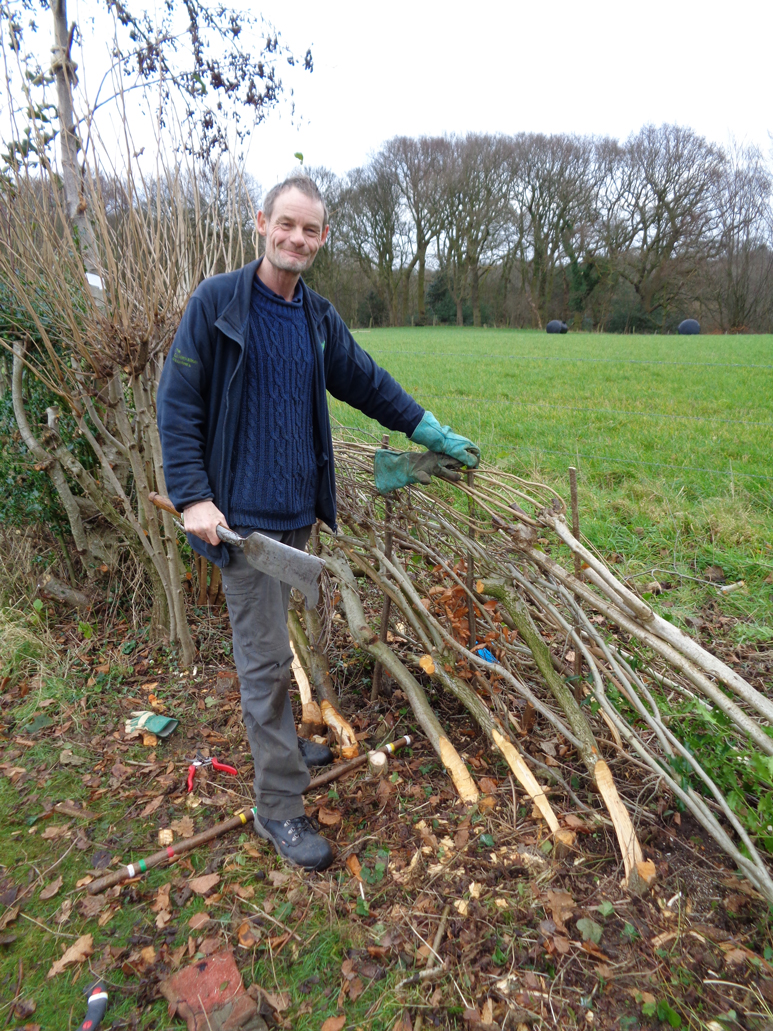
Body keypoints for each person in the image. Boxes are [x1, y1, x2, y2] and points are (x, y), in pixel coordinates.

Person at [157, 175, 480, 871]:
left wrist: (427, 427)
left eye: (310, 230)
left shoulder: (314, 316)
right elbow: (178, 404)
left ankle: (284, 745)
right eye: (286, 224)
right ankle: (277, 807)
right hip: (243, 529)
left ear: (322, 238)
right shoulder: (218, 304)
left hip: (297, 520)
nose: (296, 238)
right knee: (267, 666)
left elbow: (365, 379)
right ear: (261, 223)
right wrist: (192, 497)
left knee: (282, 652)